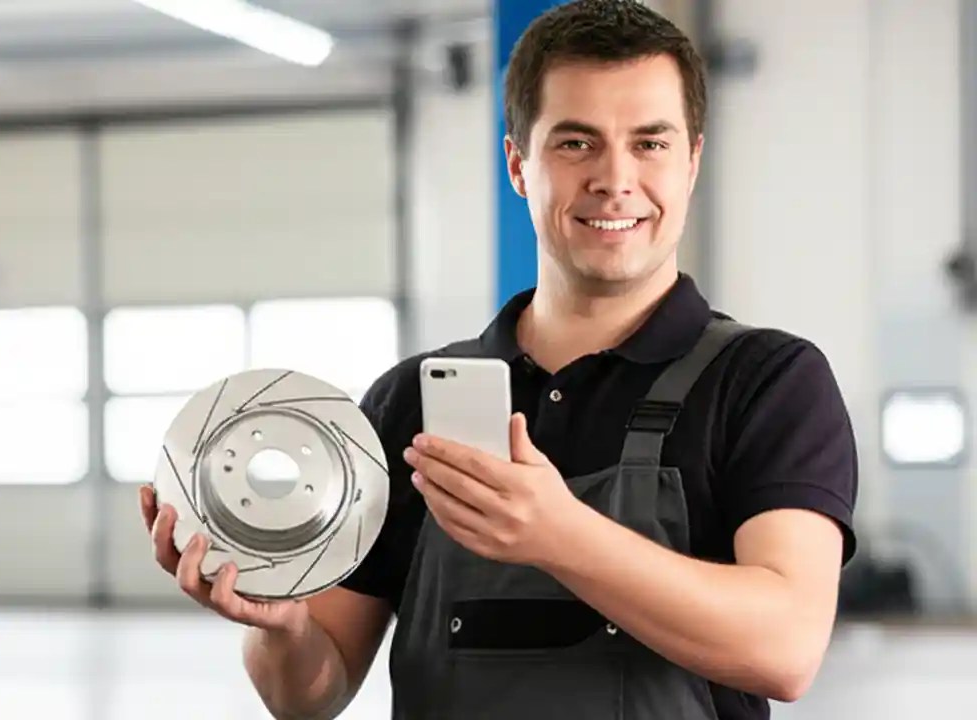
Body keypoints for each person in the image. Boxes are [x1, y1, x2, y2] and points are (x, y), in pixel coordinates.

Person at [139, 0, 858, 718]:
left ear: (692, 161)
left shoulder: (766, 382)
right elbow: (308, 696)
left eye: (650, 143)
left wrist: (559, 536)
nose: (615, 178)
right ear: (518, 164)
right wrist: (282, 626)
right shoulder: (410, 404)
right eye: (576, 143)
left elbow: (785, 649)